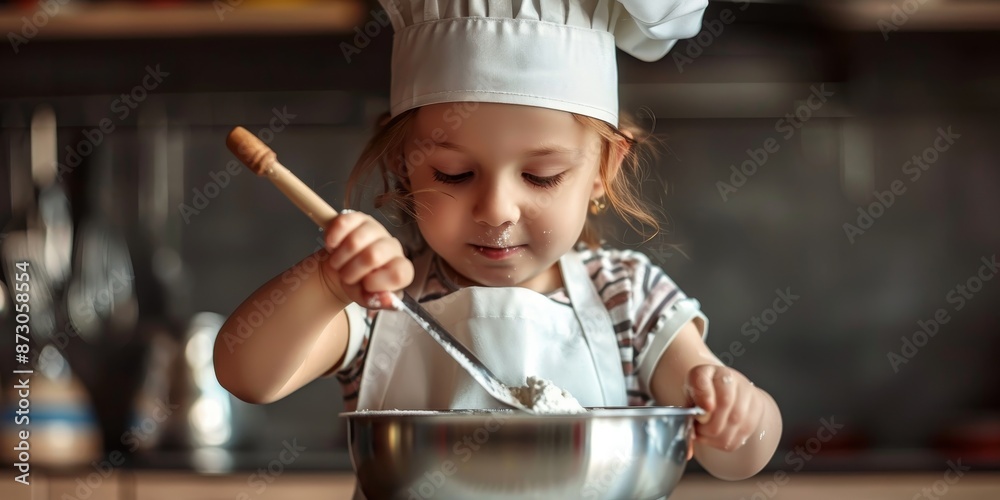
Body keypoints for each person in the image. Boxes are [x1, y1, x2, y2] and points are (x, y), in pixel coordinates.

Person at [214, 0, 782, 494]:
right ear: (402, 166)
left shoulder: (628, 300)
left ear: (604, 170)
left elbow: (736, 458)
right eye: (454, 174)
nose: (496, 210)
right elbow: (246, 375)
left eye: (541, 176)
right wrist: (327, 283)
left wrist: (738, 414)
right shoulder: (377, 300)